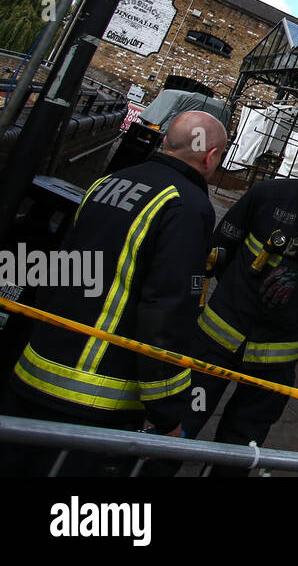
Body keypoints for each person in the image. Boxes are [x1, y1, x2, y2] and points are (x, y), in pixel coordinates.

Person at [0, 110, 228, 476]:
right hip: (94, 397)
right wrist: (167, 414)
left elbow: (61, 270)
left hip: (33, 372)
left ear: (166, 140)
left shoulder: (108, 182)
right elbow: (165, 315)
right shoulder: (185, 206)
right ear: (211, 156)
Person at [182, 132, 298, 474]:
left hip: (275, 354)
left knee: (240, 446)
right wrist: (236, 290)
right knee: (183, 421)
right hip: (219, 337)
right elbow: (222, 247)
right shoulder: (267, 194)